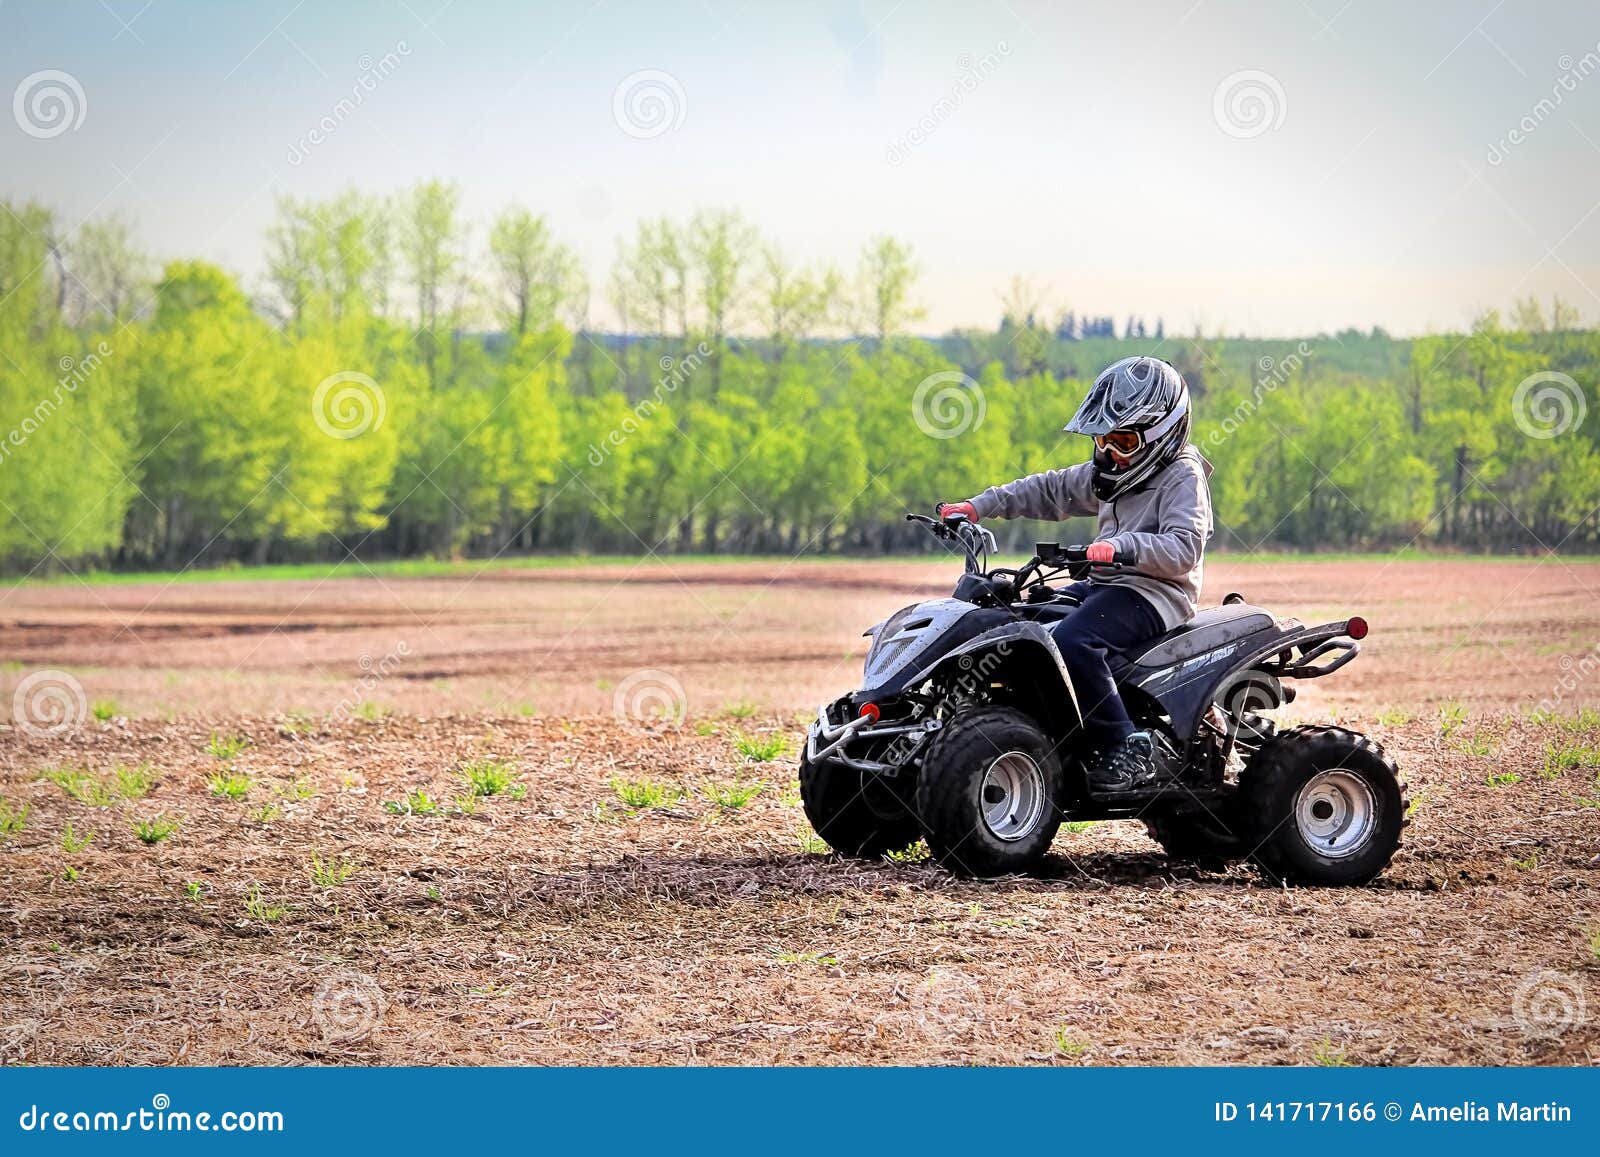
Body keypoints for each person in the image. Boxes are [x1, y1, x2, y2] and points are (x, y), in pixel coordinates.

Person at [939, 356, 1213, 794]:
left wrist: (1122, 548)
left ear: (1161, 435)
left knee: (1073, 641)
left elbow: (1183, 549)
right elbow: (1048, 490)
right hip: (1106, 584)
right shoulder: (1112, 473)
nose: (1109, 452)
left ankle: (1126, 746)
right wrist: (977, 506)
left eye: (1122, 440)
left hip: (1156, 593)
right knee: (1025, 619)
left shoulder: (1182, 475)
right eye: (1103, 440)